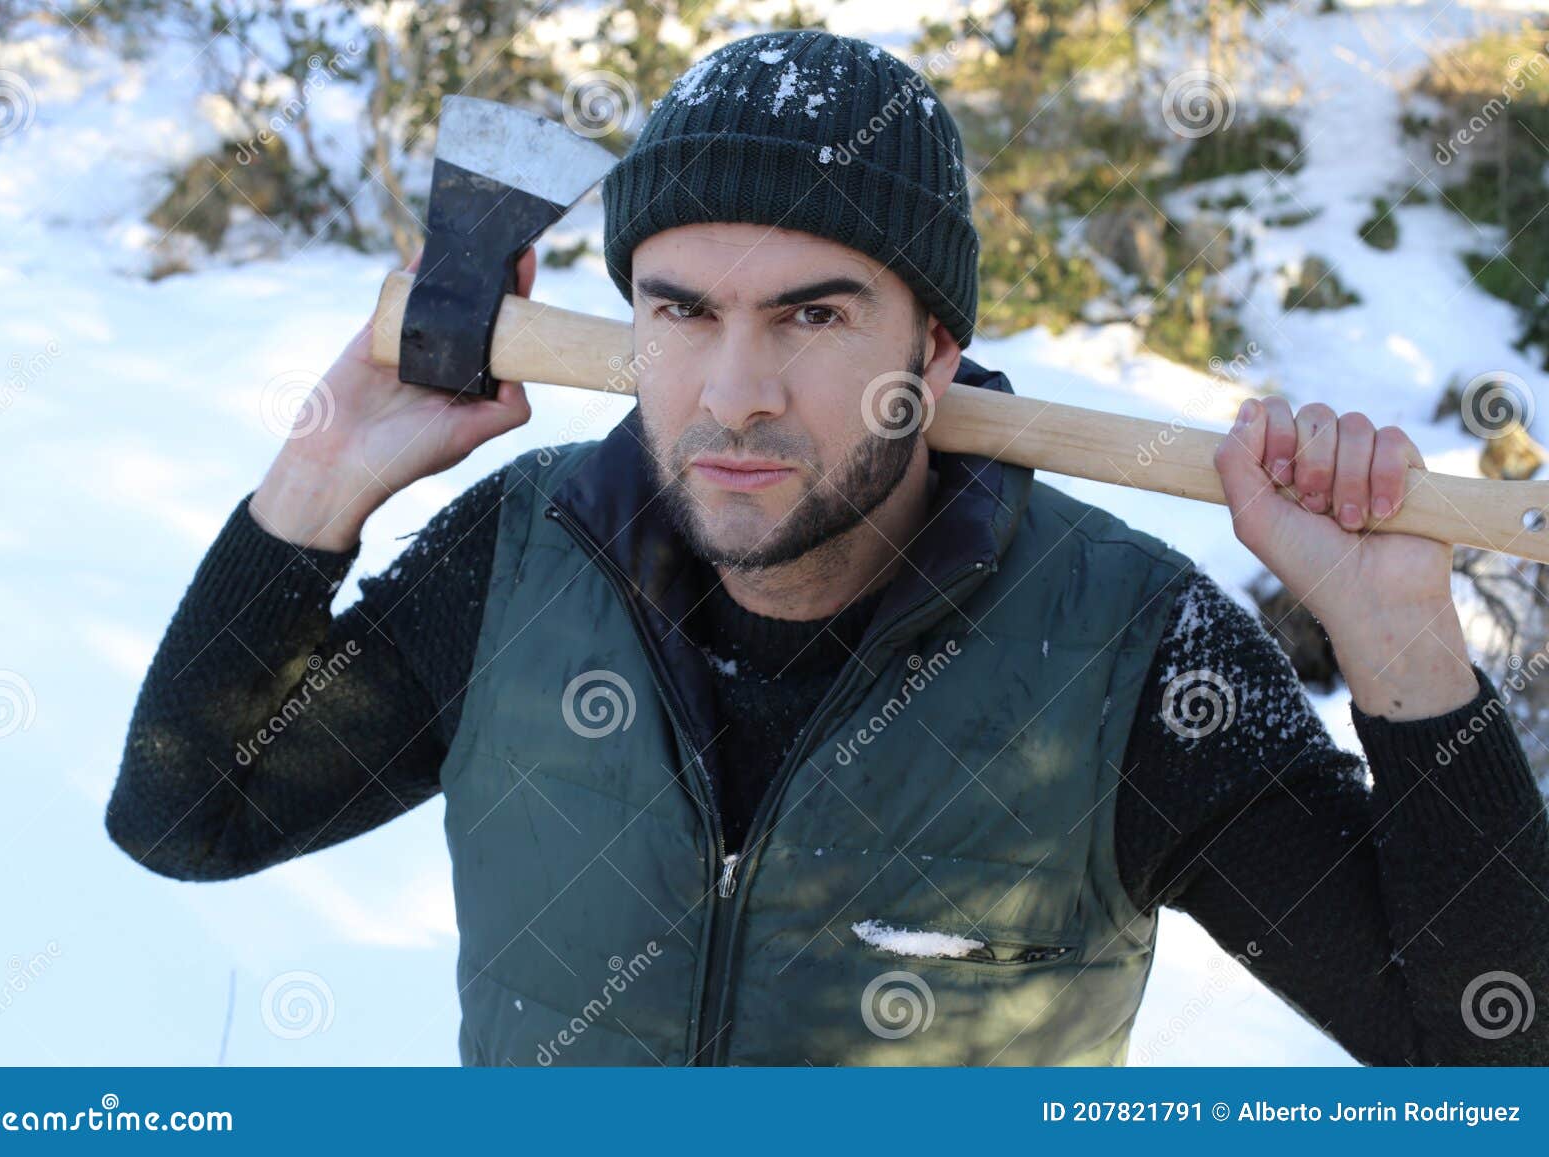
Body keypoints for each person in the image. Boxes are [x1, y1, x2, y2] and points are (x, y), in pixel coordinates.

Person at [105, 29, 1549, 1066]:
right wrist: (320, 477)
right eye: (682, 310)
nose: (734, 393)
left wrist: (1402, 648)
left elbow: (1492, 1062)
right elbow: (190, 814)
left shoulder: (1131, 647)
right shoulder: (524, 556)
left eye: (812, 315)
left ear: (936, 346)